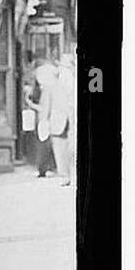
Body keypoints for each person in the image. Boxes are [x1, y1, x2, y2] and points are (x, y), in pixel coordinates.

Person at [24, 65, 56, 178]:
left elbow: (44, 108)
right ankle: (44, 168)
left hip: (44, 120)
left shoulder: (47, 89)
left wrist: (30, 104)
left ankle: (44, 168)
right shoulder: (46, 88)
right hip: (43, 120)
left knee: (43, 145)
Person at [49, 53, 77, 187]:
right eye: (63, 67)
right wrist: (45, 120)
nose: (65, 71)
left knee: (72, 149)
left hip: (73, 120)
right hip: (58, 121)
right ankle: (64, 176)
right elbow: (47, 103)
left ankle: (74, 174)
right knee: (59, 149)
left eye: (67, 67)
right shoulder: (54, 84)